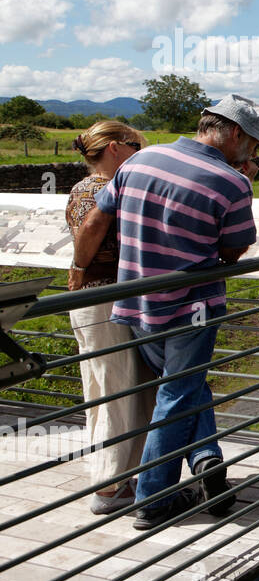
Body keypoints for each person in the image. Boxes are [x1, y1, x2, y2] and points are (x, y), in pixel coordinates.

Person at [75, 95, 259, 530]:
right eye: (253, 144)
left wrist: (79, 268)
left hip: (136, 303)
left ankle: (205, 458)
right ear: (235, 133)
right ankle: (154, 499)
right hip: (190, 309)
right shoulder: (232, 183)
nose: (252, 154)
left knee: (182, 388)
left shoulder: (141, 160)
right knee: (177, 397)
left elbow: (97, 222)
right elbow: (233, 249)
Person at [65, 121, 155, 515]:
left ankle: (114, 474)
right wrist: (79, 264)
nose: (142, 152)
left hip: (93, 302)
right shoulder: (103, 189)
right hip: (106, 301)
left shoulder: (82, 188)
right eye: (137, 145)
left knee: (104, 390)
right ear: (116, 149)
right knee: (120, 390)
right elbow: (92, 228)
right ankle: (111, 485)